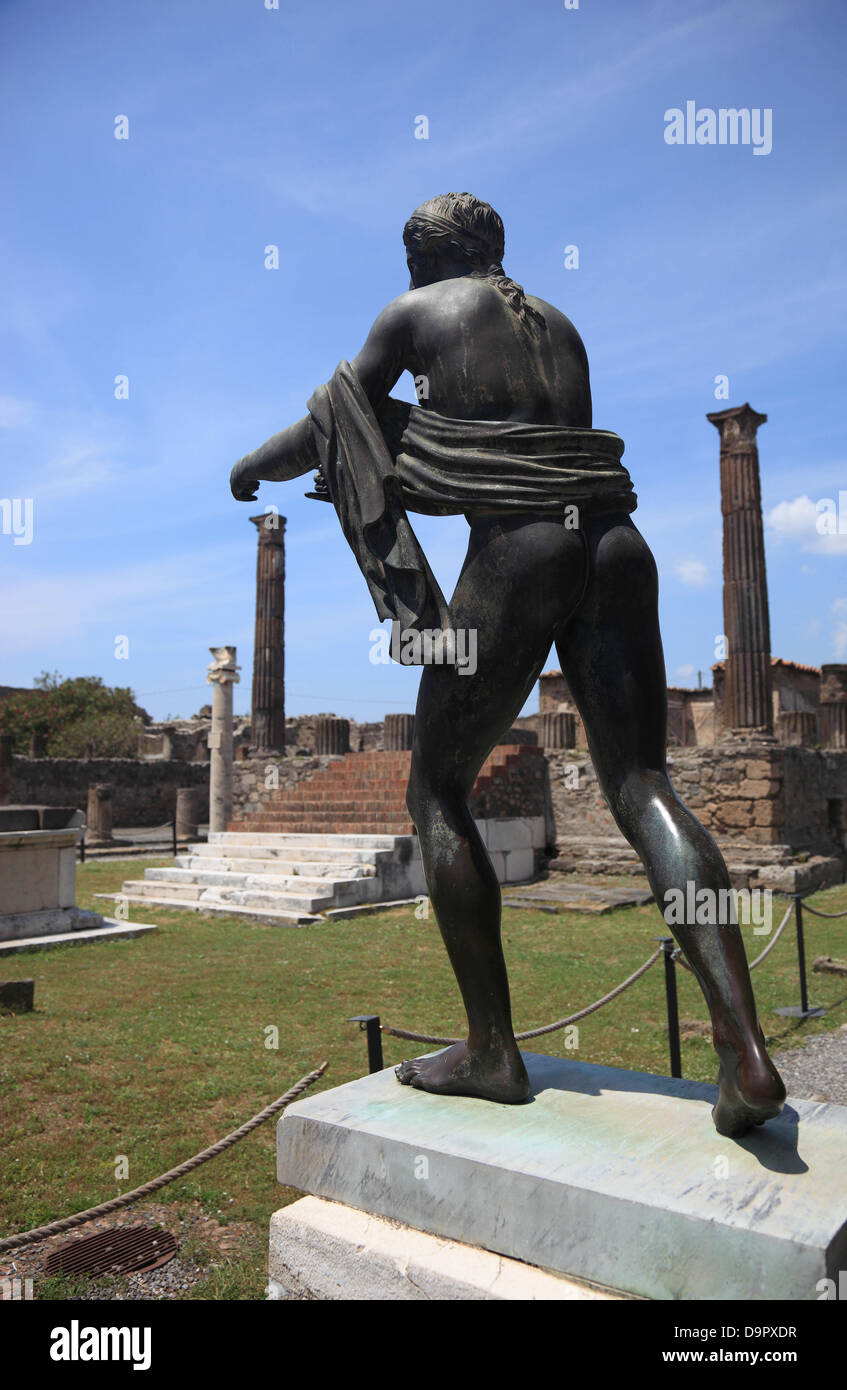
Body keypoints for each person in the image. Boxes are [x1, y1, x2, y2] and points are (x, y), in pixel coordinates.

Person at [231, 192, 785, 1137]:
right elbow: (491, 442)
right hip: (617, 544)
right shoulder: (558, 327)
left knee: (436, 792)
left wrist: (250, 467)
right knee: (643, 783)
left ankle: (491, 1051)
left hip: (522, 552)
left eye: (411, 257)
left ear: (424, 258)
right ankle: (744, 1050)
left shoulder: (415, 313)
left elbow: (340, 422)